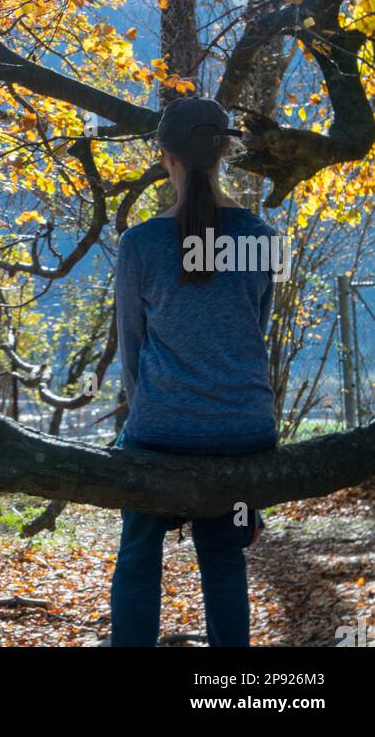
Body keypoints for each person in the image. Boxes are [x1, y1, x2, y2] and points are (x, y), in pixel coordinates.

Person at [109, 95, 279, 648]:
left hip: (163, 433)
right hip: (245, 434)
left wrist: (149, 422)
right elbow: (252, 331)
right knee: (224, 559)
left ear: (166, 159)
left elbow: (132, 352)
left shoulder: (139, 244)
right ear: (224, 153)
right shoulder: (263, 239)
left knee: (138, 558)